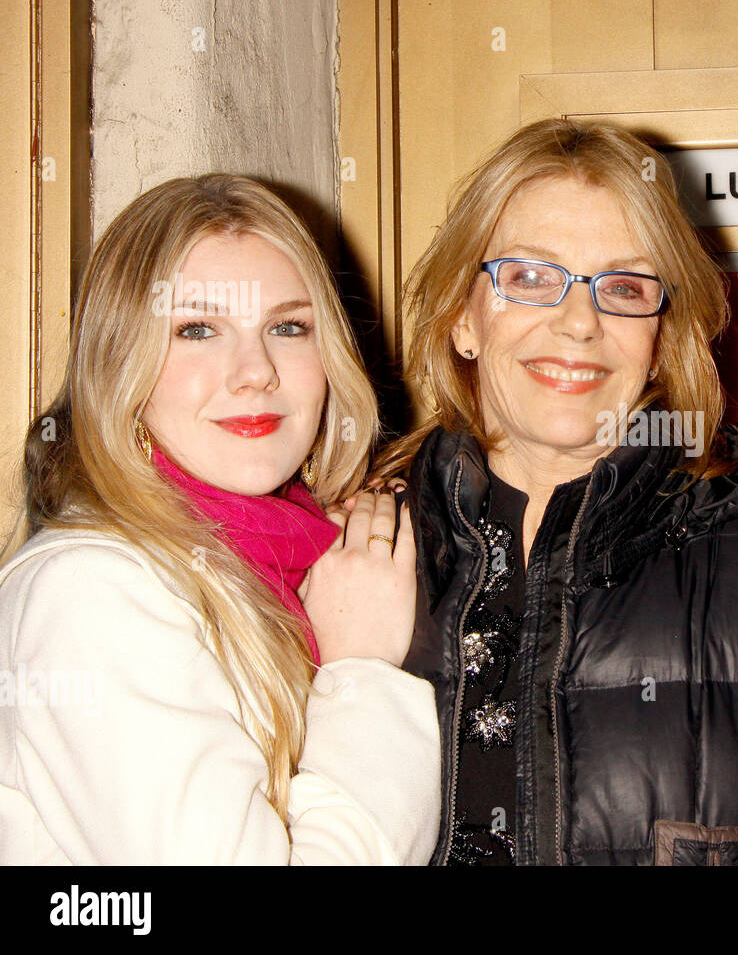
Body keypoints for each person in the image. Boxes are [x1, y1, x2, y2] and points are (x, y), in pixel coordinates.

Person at [373, 118, 738, 865]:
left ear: (661, 337)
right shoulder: (352, 544)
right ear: (464, 317)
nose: (577, 323)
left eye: (624, 287)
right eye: (530, 278)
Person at [0, 174, 439, 864]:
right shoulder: (90, 592)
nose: (255, 370)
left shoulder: (293, 559)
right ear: (121, 367)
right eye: (197, 328)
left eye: (288, 327)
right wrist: (362, 672)